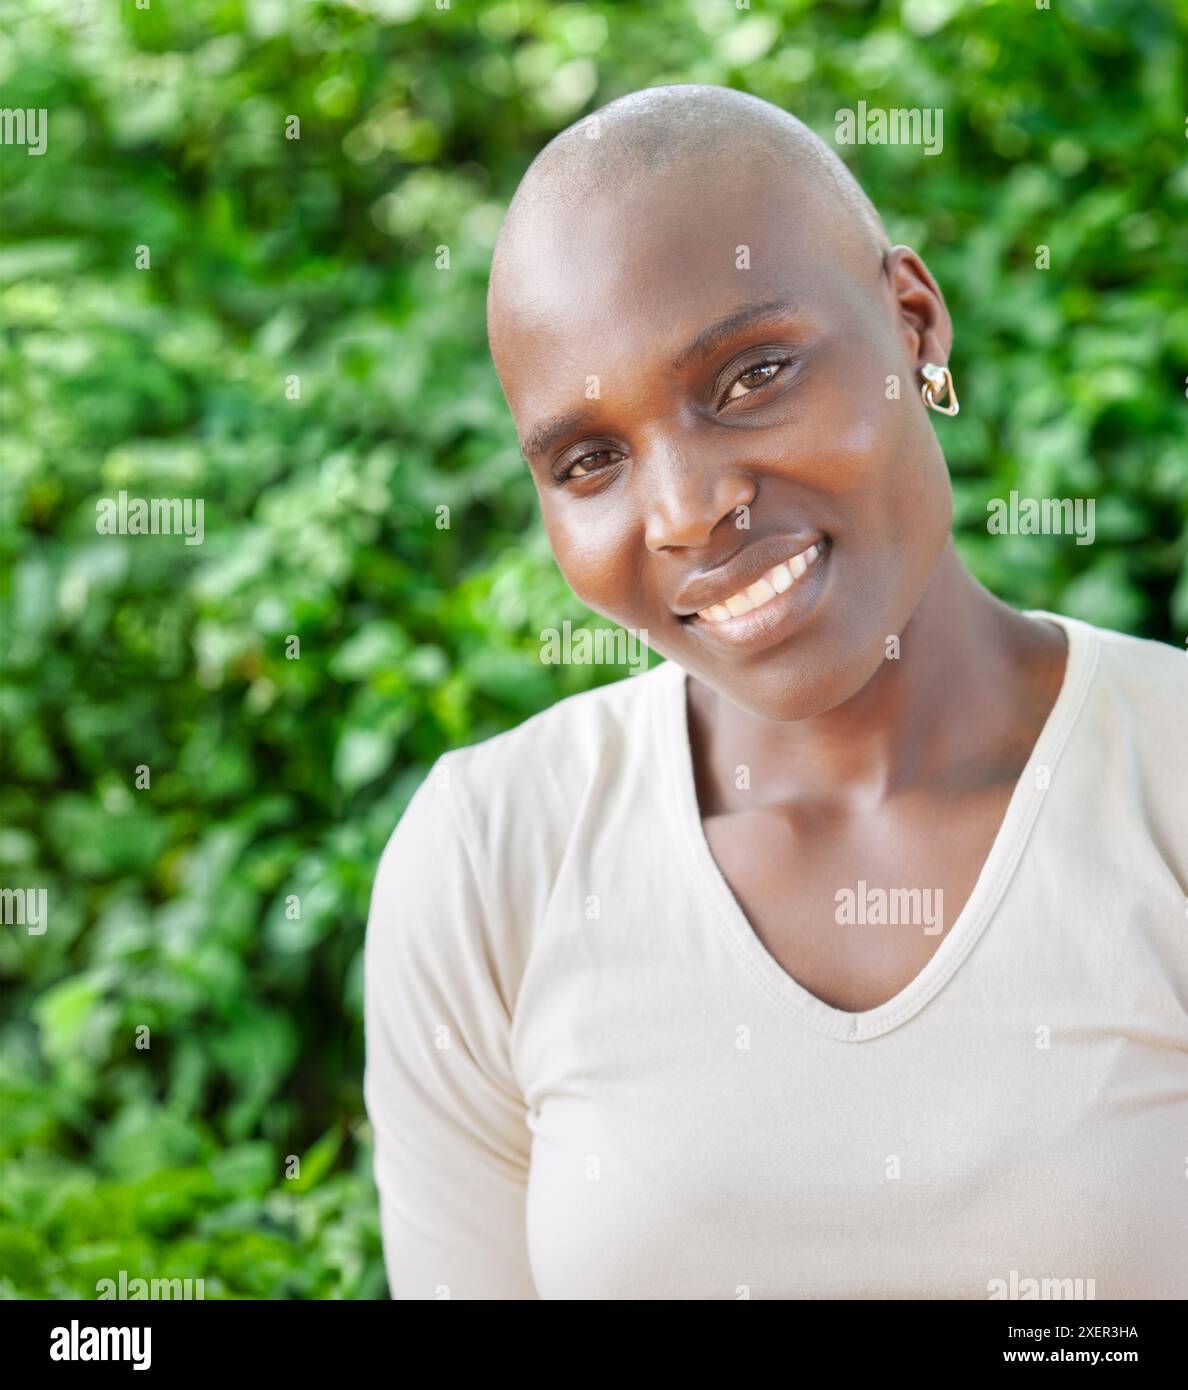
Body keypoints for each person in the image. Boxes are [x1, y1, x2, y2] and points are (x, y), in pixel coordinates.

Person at [363, 85, 1188, 1300]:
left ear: (912, 323)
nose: (691, 508)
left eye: (751, 377)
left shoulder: (1162, 783)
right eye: (590, 459)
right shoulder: (492, 859)